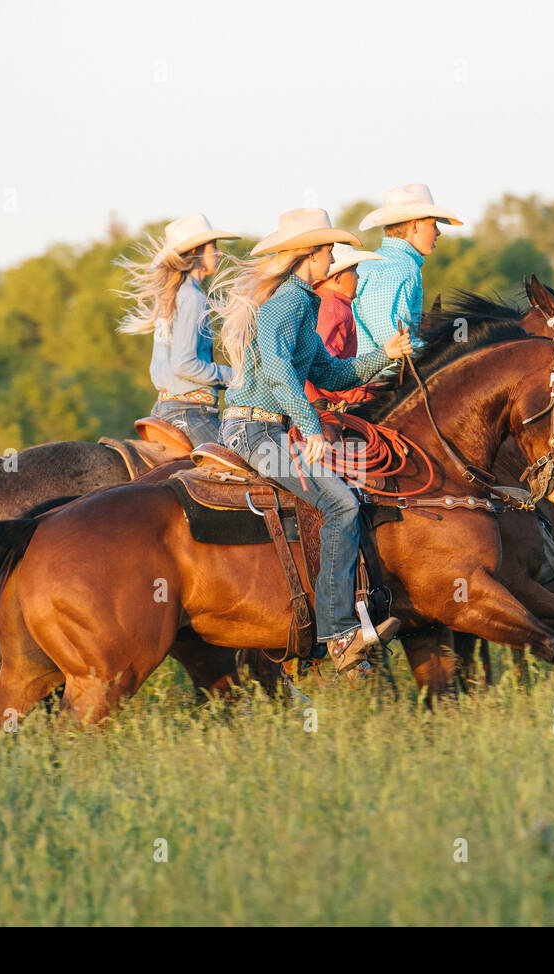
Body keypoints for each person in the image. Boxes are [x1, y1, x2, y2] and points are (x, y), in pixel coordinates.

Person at [215, 208, 413, 673]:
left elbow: (329, 371)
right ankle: (339, 631)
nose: (333, 259)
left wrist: (383, 356)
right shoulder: (285, 302)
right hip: (254, 430)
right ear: (308, 254)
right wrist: (308, 424)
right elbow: (282, 374)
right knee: (341, 504)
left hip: (265, 425)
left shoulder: (302, 302)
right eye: (327, 251)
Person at [118, 212, 239, 446]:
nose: (219, 253)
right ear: (195, 252)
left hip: (163, 409)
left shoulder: (170, 296)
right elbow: (185, 365)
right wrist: (236, 376)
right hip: (191, 413)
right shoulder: (192, 297)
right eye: (213, 247)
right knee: (248, 466)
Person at [353, 183, 463, 380]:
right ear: (414, 225)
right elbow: (390, 335)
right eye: (433, 224)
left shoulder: (377, 261)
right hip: (379, 384)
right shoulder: (400, 266)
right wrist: (441, 353)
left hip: (365, 376)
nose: (438, 232)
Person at [304, 244, 383, 408]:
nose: (358, 276)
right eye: (354, 270)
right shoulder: (334, 308)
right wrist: (368, 393)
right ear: (337, 277)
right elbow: (325, 372)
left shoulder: (321, 303)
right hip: (325, 404)